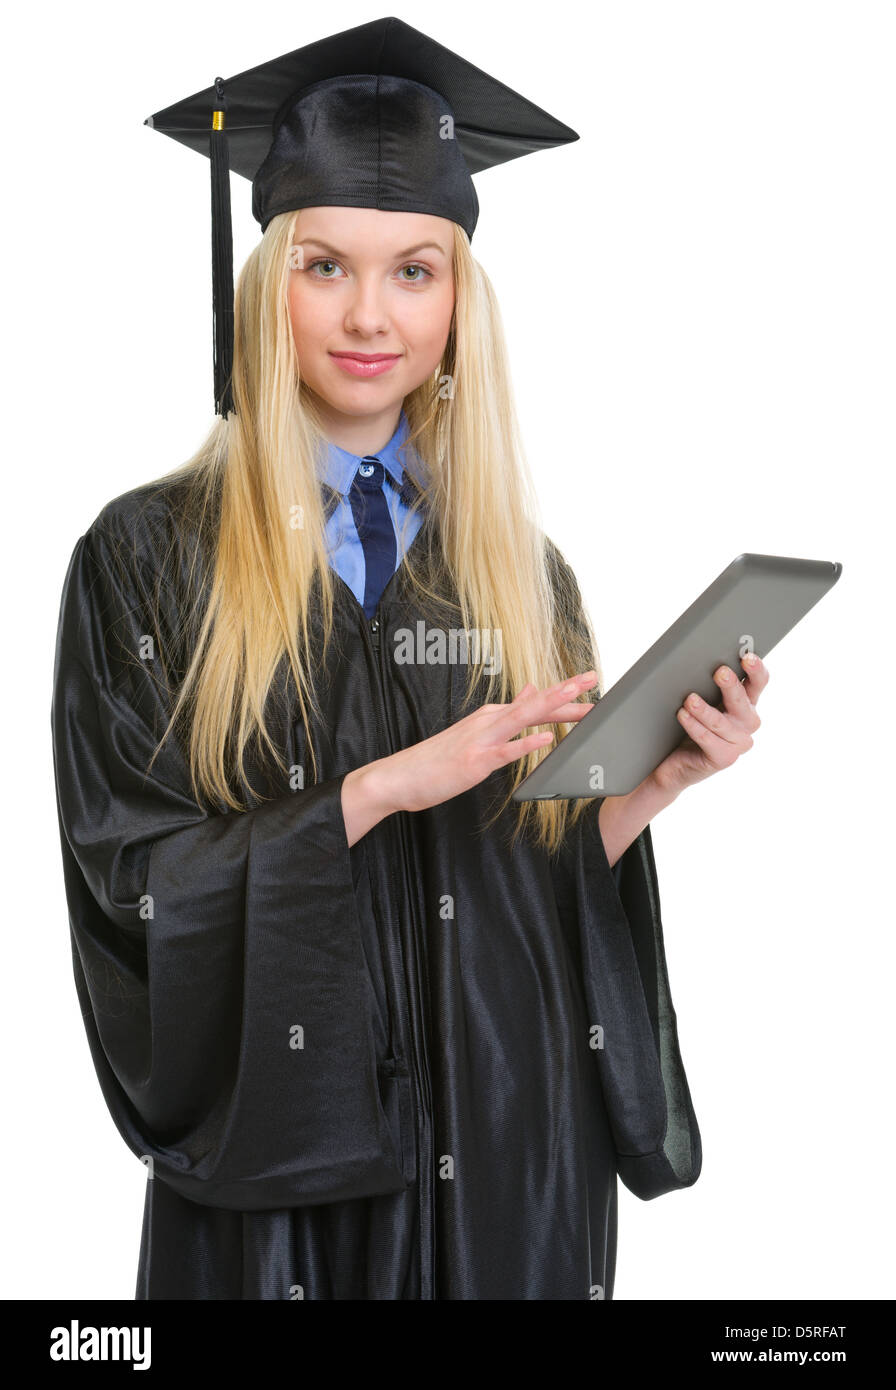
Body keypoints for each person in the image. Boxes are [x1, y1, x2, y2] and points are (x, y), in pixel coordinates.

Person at [50, 17, 768, 1300]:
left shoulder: (519, 570)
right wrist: (377, 791)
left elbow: (520, 900)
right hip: (294, 1190)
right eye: (325, 266)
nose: (371, 316)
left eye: (415, 272)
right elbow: (132, 890)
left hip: (509, 1157)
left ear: (459, 299)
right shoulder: (145, 558)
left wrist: (643, 789)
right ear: (265, 280)